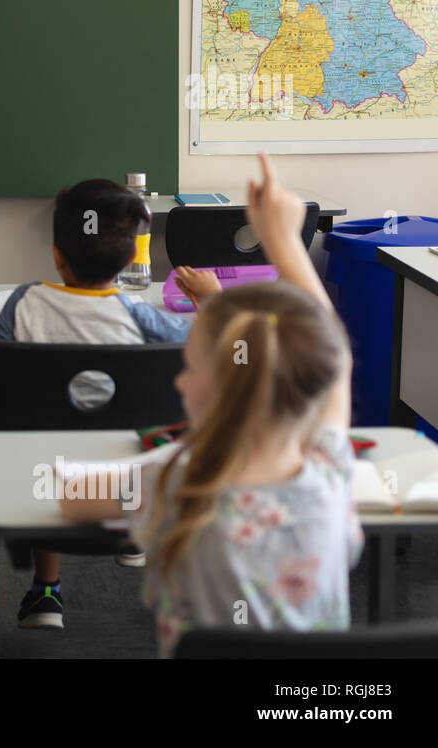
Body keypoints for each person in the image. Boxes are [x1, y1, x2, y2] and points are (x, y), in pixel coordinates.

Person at [62, 155, 362, 657]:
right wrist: (286, 242)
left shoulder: (176, 480)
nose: (180, 377)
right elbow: (334, 359)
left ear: (223, 391)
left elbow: (73, 497)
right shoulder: (329, 472)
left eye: (192, 367)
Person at [0, 178, 221, 628]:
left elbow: (3, 365)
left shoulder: (22, 303)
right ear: (127, 261)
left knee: (51, 434)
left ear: (57, 254)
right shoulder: (141, 317)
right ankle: (133, 535)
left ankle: (45, 593)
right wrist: (211, 300)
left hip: (42, 475)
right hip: (129, 471)